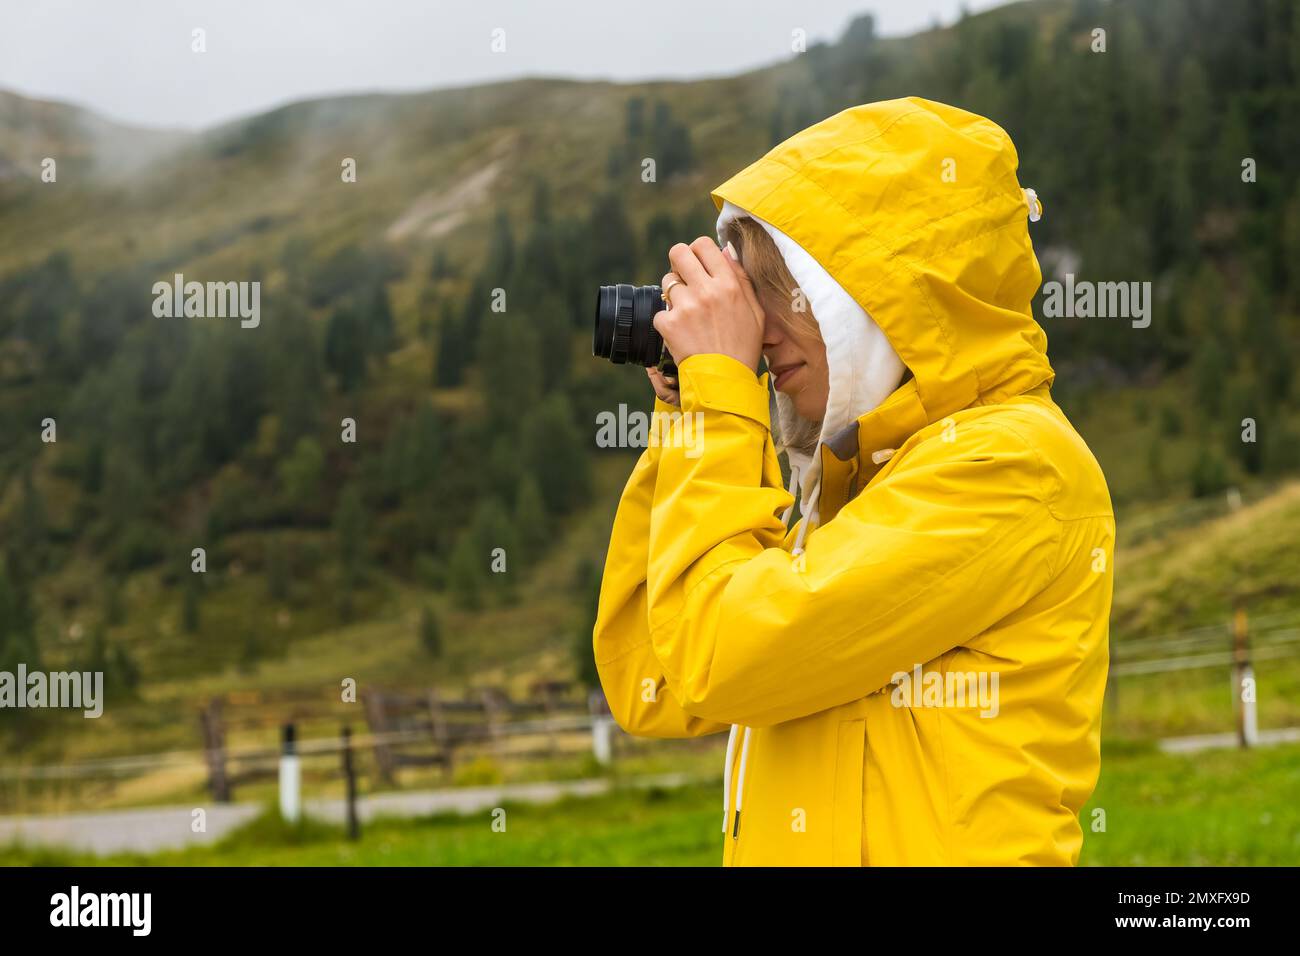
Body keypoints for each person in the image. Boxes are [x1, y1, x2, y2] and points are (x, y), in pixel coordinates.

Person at [592, 97, 1114, 866]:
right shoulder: (853, 481)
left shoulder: (1010, 468)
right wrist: (686, 416)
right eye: (749, 300)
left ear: (874, 300)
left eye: (780, 293)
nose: (761, 334)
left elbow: (719, 658)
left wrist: (723, 400)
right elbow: (654, 679)